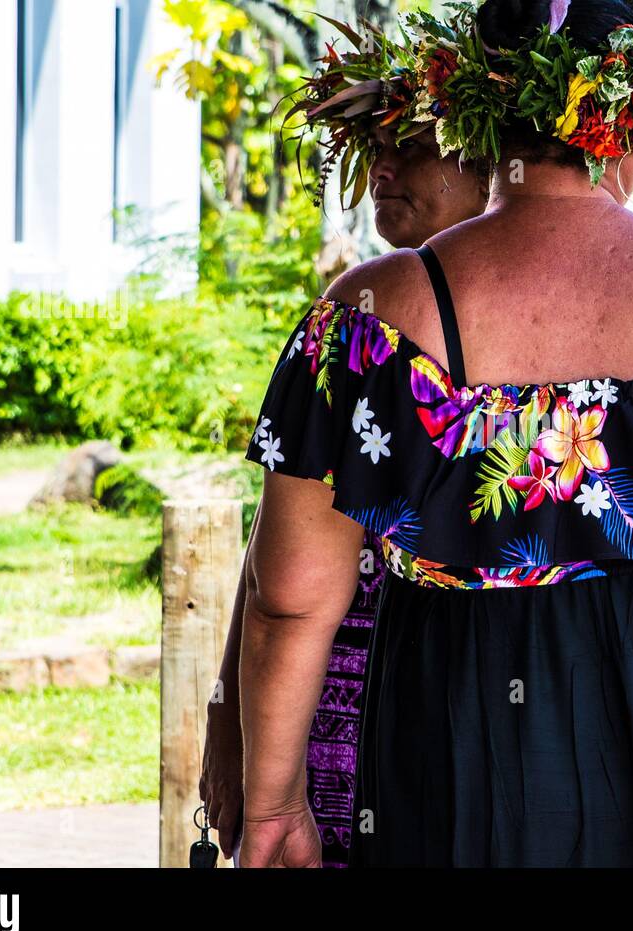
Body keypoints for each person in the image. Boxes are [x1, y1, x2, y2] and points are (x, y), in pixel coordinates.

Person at [238, 0, 633, 867]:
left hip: (466, 759)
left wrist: (274, 804)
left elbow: (292, 596)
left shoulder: (377, 314)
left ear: (472, 119)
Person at [199, 120, 490, 866]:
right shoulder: (359, 313)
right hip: (328, 683)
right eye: (371, 151)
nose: (381, 171)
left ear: (490, 159)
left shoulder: (561, 322)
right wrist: (228, 712)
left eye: (411, 147)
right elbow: (277, 562)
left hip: (441, 702)